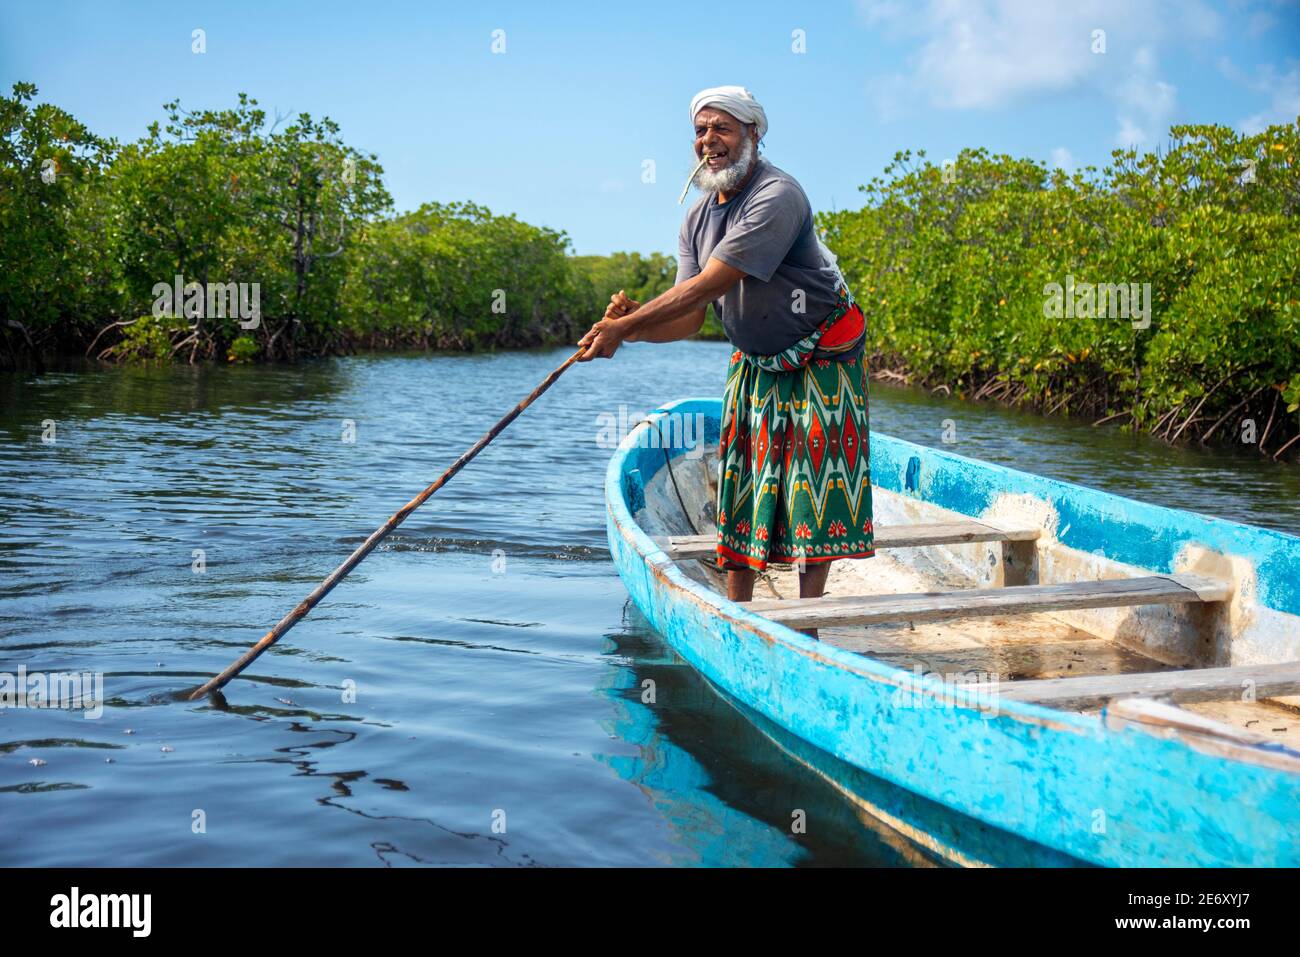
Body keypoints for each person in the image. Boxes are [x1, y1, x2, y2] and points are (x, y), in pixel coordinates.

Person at [579, 85, 874, 618]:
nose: (709, 140)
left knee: (814, 488)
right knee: (742, 483)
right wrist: (629, 329)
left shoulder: (777, 195)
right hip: (755, 363)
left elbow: (715, 281)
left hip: (821, 357)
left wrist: (627, 327)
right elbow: (689, 318)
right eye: (700, 130)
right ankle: (741, 616)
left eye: (722, 128)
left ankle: (807, 624)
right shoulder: (695, 218)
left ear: (752, 135)